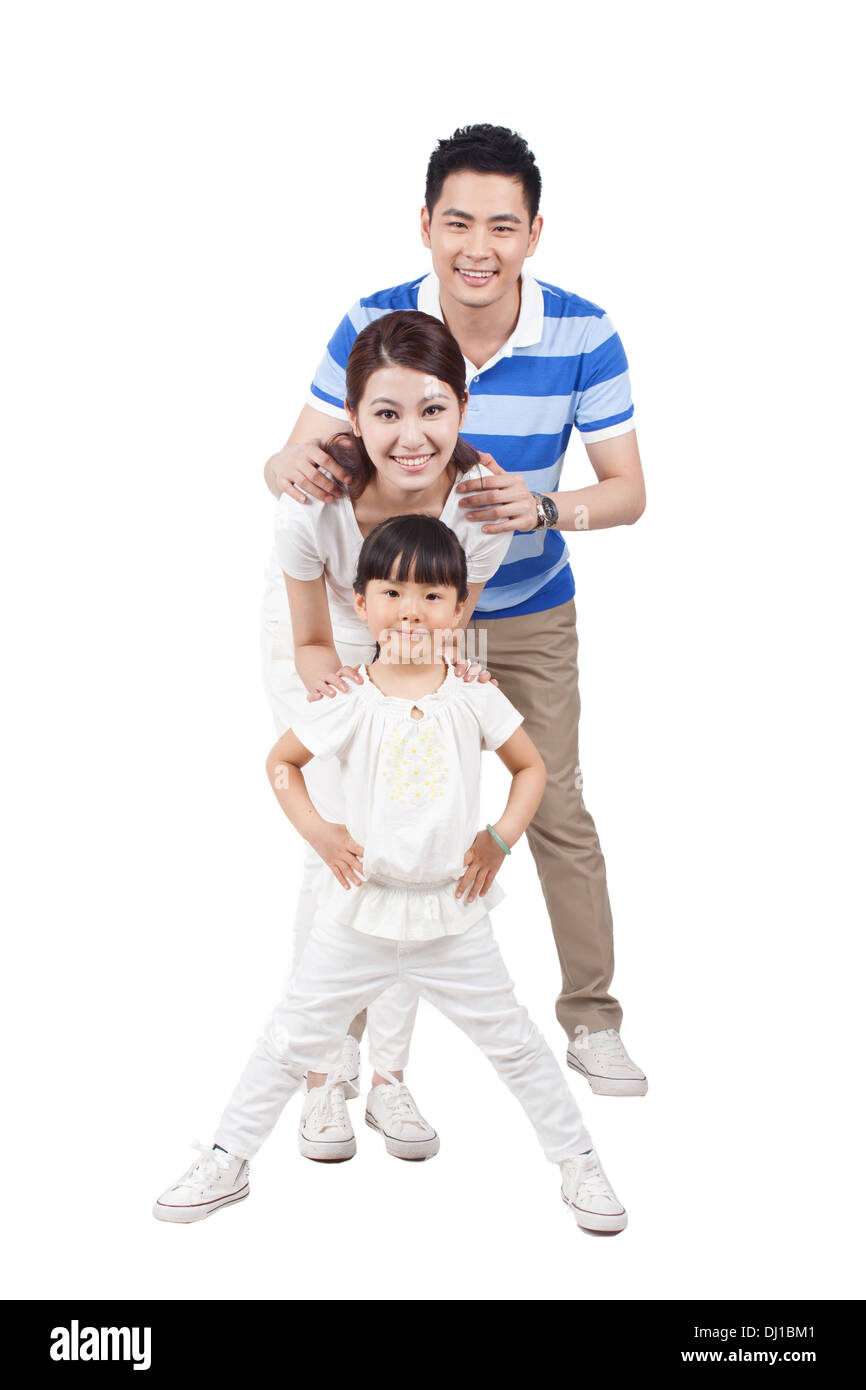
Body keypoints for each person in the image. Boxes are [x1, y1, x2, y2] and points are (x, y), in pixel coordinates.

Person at [264, 124, 649, 1098]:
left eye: (503, 226)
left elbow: (627, 492)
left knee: (549, 803)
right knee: (377, 816)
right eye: (458, 222)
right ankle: (334, 1060)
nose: (479, 246)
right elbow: (297, 457)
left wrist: (545, 508)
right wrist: (281, 472)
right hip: (383, 608)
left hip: (514, 609)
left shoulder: (583, 334)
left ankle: (590, 1020)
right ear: (425, 225)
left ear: (533, 234)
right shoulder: (376, 321)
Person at [153, 515, 627, 1236]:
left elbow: (532, 768)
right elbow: (281, 763)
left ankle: (580, 1163)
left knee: (518, 1046)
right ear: (362, 601)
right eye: (394, 592)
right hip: (359, 915)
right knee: (290, 1039)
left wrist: (500, 837)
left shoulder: (473, 691)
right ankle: (227, 1156)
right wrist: (320, 831)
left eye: (433, 597)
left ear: (461, 609)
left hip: (454, 915)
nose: (411, 611)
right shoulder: (348, 697)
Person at [263, 308, 515, 1160]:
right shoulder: (311, 507)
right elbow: (309, 640)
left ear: (463, 406)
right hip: (325, 640)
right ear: (354, 415)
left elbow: (442, 636)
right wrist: (349, 716)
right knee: (341, 846)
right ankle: (323, 1072)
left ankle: (391, 1081)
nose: (412, 436)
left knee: (415, 835)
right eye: (386, 413)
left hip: (421, 637)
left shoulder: (482, 510)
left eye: (434, 410)